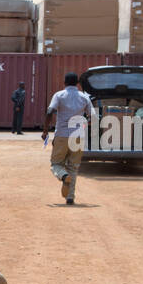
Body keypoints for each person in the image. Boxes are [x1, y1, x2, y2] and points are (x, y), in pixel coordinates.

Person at [42, 71, 93, 206]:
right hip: (78, 137)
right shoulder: (84, 97)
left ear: (64, 82)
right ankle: (70, 197)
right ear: (77, 83)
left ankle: (64, 176)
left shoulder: (59, 95)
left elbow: (49, 112)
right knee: (73, 167)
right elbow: (92, 116)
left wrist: (45, 131)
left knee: (56, 164)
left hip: (62, 135)